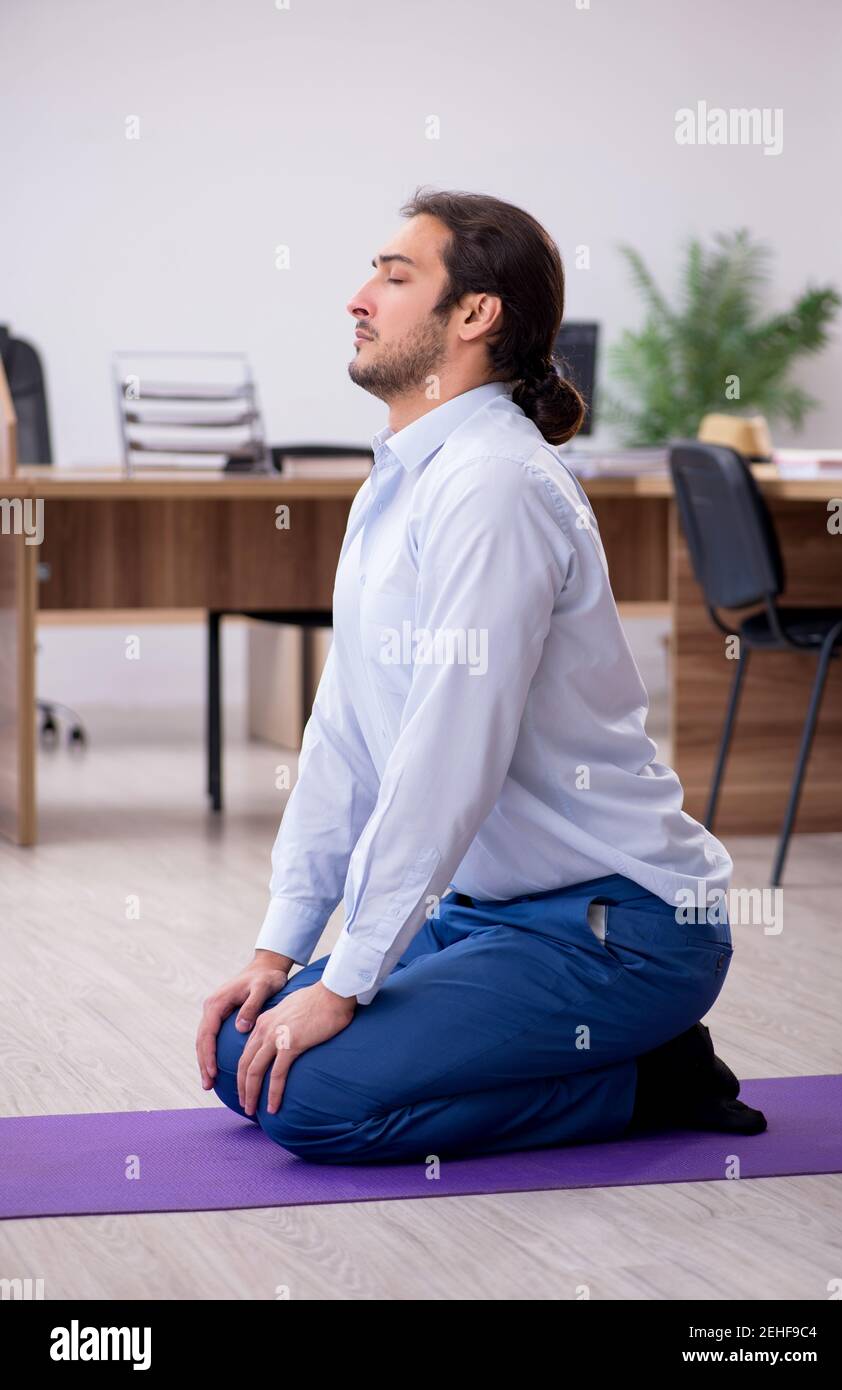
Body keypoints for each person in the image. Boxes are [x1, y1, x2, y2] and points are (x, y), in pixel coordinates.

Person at [196, 188, 766, 1164]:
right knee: (247, 1045)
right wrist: (278, 951)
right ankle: (597, 1055)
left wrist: (344, 985)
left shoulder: (498, 486)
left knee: (310, 1098)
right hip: (485, 914)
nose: (359, 297)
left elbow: (447, 757)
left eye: (393, 274)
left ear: (474, 314)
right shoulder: (401, 481)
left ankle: (647, 1076)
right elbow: (344, 737)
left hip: (622, 927)